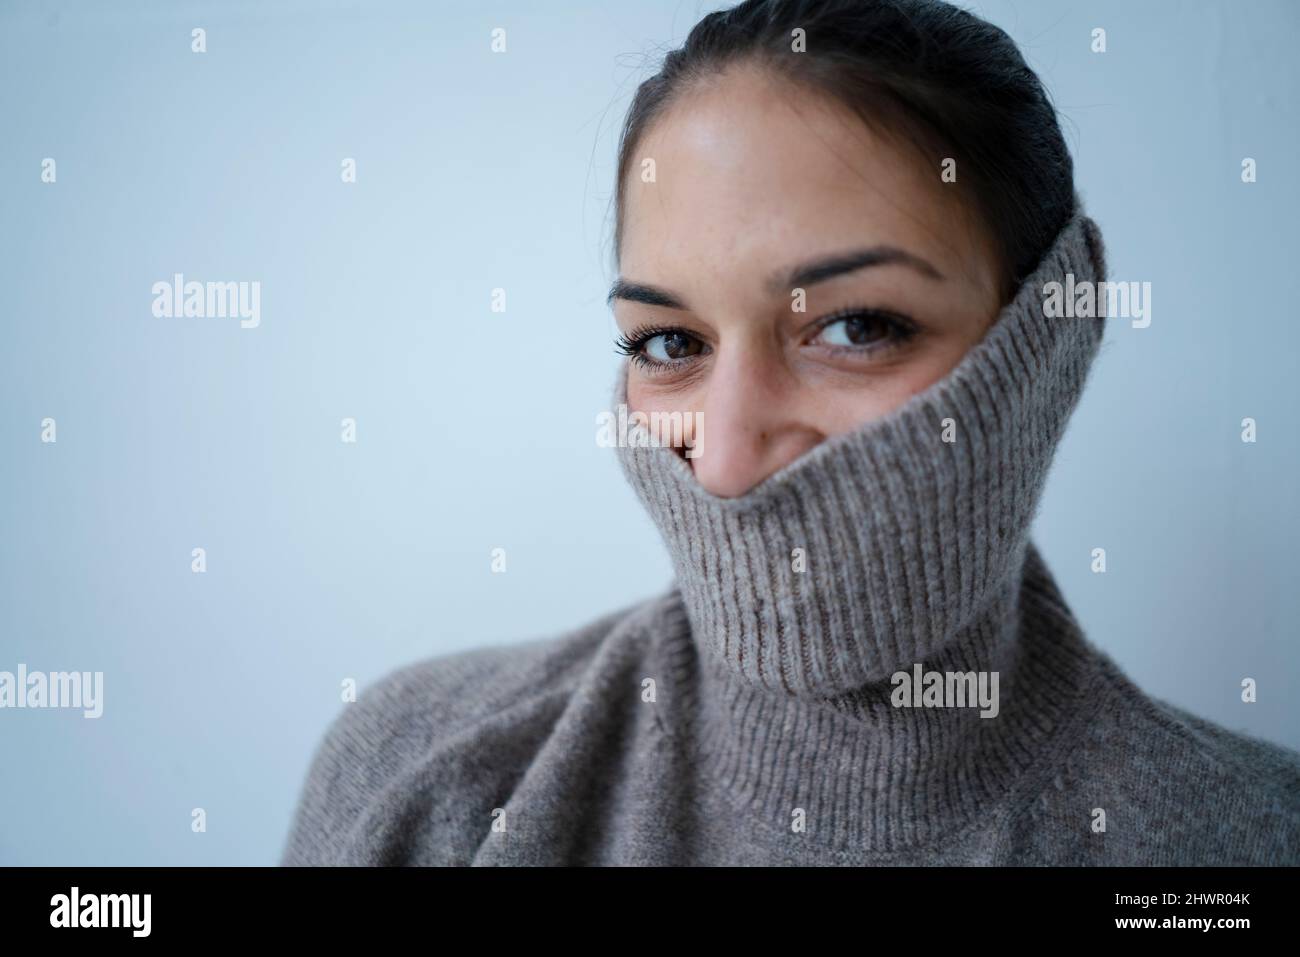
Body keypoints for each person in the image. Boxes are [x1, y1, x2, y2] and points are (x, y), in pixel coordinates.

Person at [281, 0, 1300, 866]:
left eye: (857, 328)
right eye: (670, 341)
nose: (724, 461)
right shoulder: (421, 785)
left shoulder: (1241, 842)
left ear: (1052, 332)